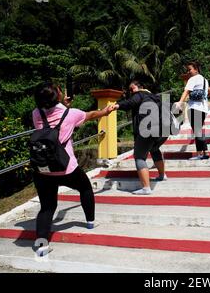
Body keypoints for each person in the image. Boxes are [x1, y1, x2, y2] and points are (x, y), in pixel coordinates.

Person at [32, 82, 116, 256]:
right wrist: (105, 112)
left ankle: (41, 246)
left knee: (47, 207)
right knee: (85, 187)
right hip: (66, 168)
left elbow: (52, 120)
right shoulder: (72, 114)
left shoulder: (36, 113)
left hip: (42, 169)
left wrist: (63, 104)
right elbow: (92, 114)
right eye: (59, 90)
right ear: (57, 95)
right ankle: (90, 221)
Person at [114, 80, 168, 195]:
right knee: (154, 149)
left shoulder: (139, 95)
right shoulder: (154, 97)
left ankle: (146, 188)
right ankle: (162, 175)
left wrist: (117, 105)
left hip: (147, 129)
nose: (131, 91)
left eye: (132, 88)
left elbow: (131, 103)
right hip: (162, 130)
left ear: (140, 87)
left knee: (139, 156)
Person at [175, 61, 210, 160]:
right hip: (203, 108)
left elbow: (186, 91)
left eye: (190, 69)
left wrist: (180, 103)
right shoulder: (205, 80)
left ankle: (199, 154)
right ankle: (205, 152)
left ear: (196, 69)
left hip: (194, 107)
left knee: (197, 131)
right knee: (199, 130)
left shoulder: (193, 79)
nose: (188, 71)